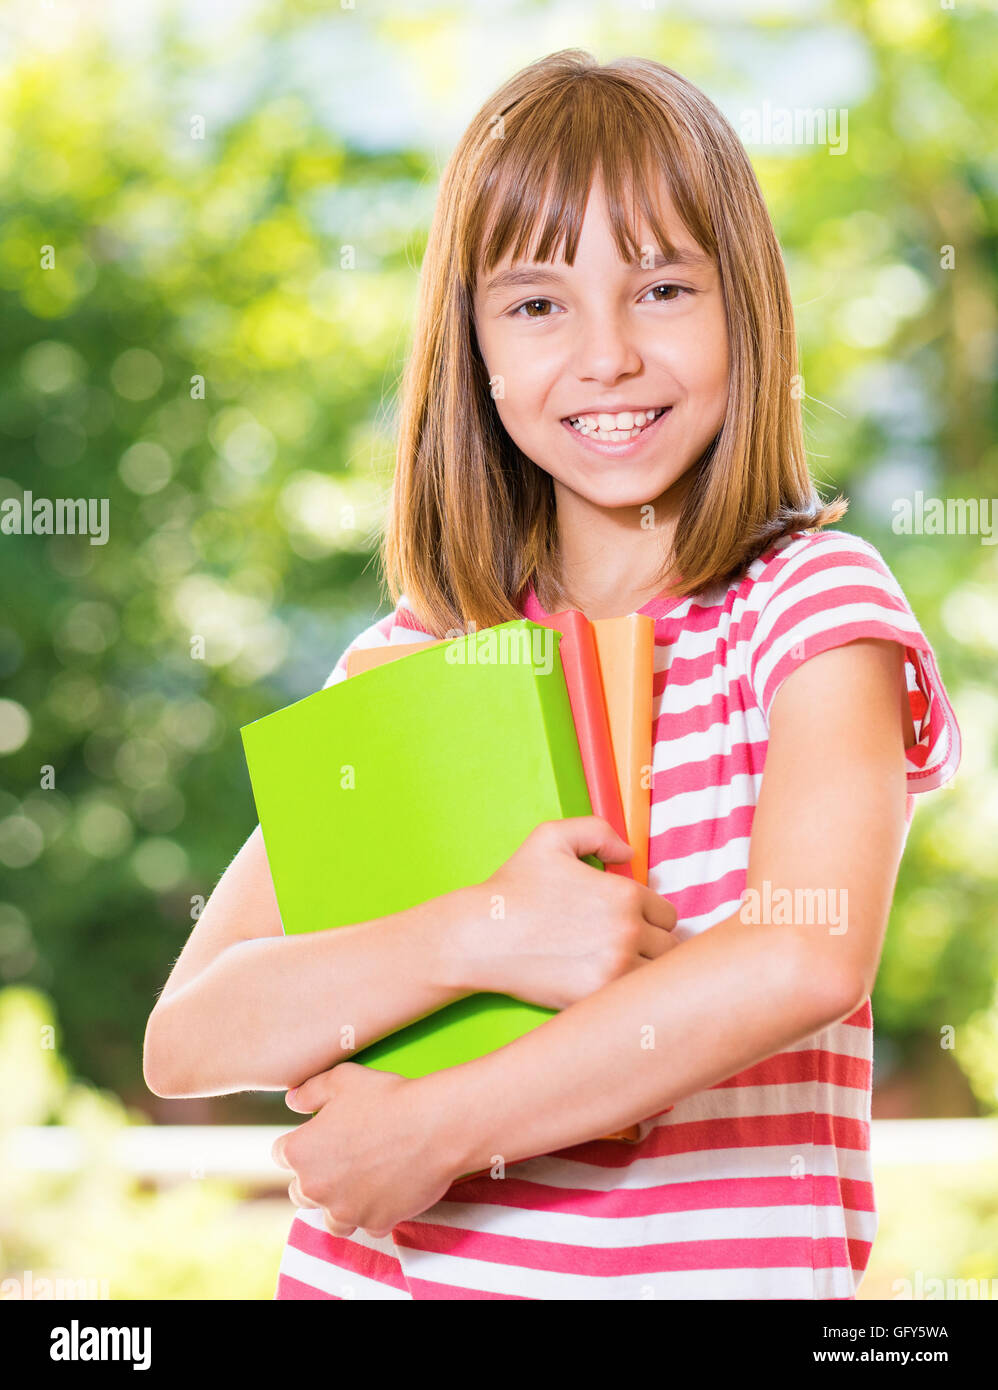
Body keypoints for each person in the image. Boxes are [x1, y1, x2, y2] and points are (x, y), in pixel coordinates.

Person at [143, 49, 961, 1300]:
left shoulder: (808, 609)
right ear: (471, 347)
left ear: (743, 306)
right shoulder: (418, 660)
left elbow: (802, 955)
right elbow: (190, 1037)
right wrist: (485, 933)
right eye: (535, 305)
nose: (606, 355)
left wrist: (438, 1125)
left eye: (663, 288)